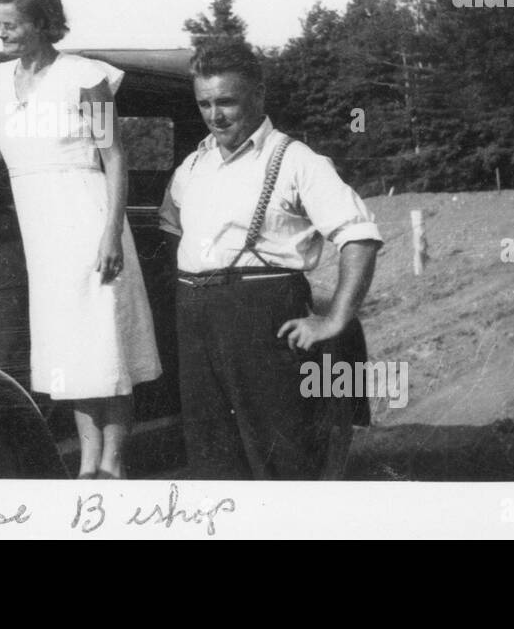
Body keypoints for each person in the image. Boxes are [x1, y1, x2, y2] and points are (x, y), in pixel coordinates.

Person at [0, 0, 162, 478]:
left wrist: (110, 233)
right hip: (43, 234)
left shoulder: (84, 77)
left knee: (105, 344)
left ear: (41, 23)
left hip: (89, 219)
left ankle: (113, 465)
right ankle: (87, 464)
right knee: (71, 349)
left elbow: (115, 157)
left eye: (11, 25)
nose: (2, 34)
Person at [158, 38, 383, 479]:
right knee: (213, 459)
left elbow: (358, 236)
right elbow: (170, 221)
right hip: (197, 319)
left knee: (281, 457)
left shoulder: (298, 161)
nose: (215, 115)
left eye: (227, 102)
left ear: (259, 95)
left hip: (263, 315)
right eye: (204, 103)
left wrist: (335, 318)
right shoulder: (193, 165)